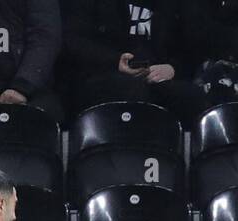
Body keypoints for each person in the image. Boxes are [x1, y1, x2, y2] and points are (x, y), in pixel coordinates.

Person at [62, 0, 205, 127]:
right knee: (133, 91)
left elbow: (193, 45)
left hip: (159, 77)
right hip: (103, 73)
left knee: (192, 98)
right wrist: (115, 61)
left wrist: (173, 68)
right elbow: (74, 41)